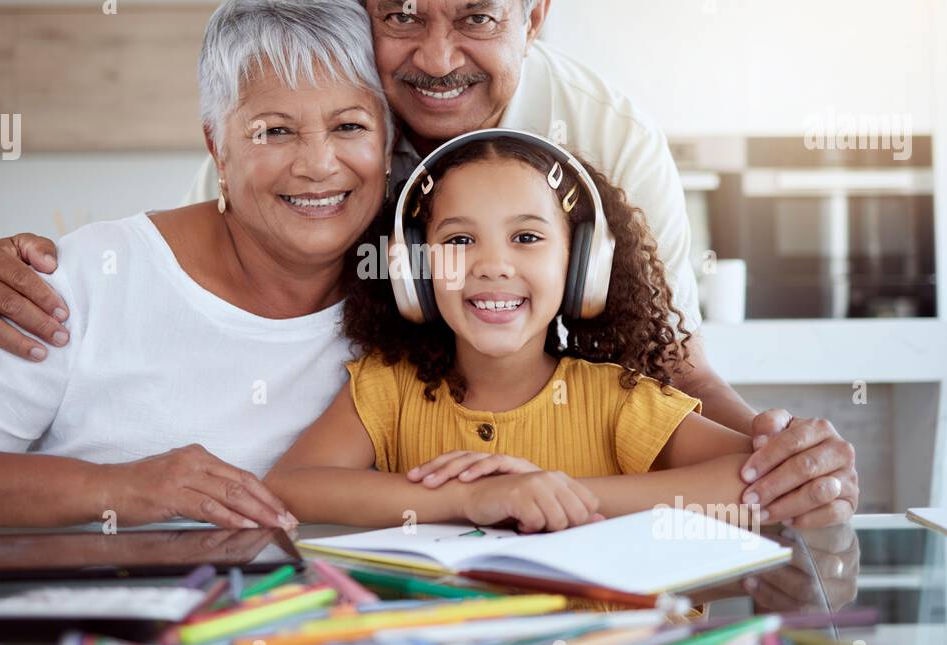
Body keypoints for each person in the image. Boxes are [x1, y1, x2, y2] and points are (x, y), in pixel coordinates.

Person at [0, 0, 858, 529]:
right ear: (361, 7)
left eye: (478, 18)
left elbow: (672, 361)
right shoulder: (304, 118)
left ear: (534, 15)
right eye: (401, 16)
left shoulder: (609, 134)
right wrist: (59, 277)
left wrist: (781, 455)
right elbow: (213, 276)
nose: (437, 57)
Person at [0, 0, 393, 529]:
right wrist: (114, 489)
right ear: (218, 149)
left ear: (388, 144)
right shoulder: (89, 281)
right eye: (274, 131)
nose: (318, 165)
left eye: (349, 126)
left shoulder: (420, 294)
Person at [266, 131, 754, 531]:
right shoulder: (389, 389)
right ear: (413, 268)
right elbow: (291, 485)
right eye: (460, 239)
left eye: (526, 237)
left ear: (582, 264)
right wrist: (473, 497)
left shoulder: (619, 402)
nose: (494, 265)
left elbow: (752, 477)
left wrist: (555, 493)